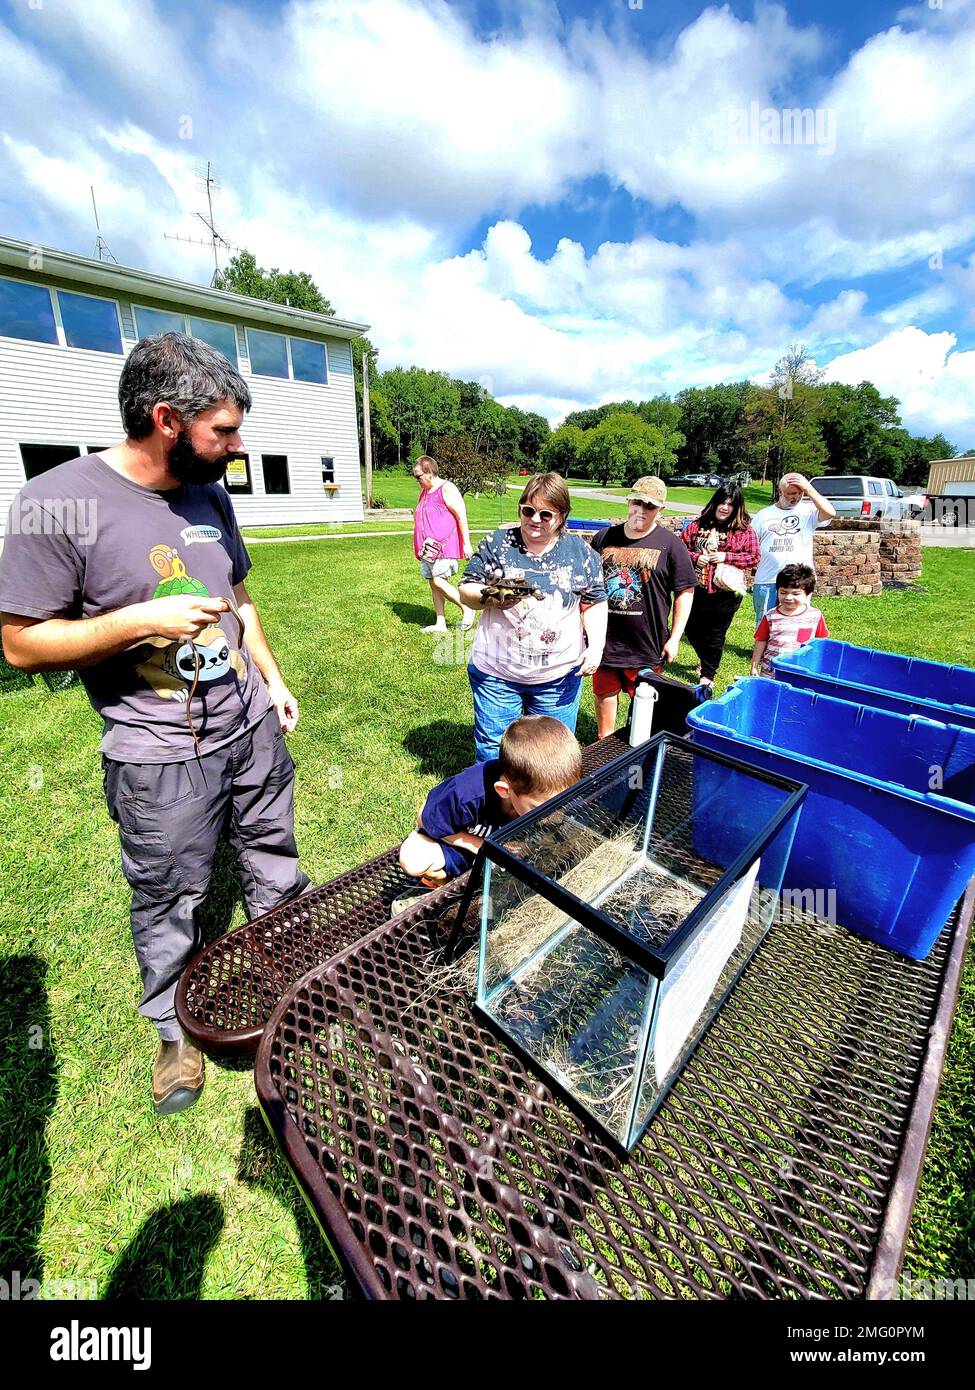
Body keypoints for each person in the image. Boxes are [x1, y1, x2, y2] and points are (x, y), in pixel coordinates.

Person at [0, 333, 310, 1117]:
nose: (238, 448)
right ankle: (173, 1029)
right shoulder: (54, 502)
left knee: (273, 854)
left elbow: (239, 597)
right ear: (166, 419)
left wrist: (271, 680)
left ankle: (292, 977)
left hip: (248, 725)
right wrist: (138, 620)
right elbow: (20, 644)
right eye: (224, 432)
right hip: (159, 751)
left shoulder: (208, 491)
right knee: (171, 890)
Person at [459, 472, 608, 763]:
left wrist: (596, 647)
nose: (535, 520)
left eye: (545, 514)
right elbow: (466, 590)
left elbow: (594, 601)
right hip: (497, 672)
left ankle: (547, 809)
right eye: (528, 511)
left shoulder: (580, 553)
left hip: (558, 674)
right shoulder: (498, 543)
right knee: (494, 749)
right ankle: (495, 805)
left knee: (553, 755)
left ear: (562, 516)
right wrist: (493, 596)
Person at [399, 715, 582, 886]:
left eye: (561, 803)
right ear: (504, 791)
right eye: (541, 808)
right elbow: (424, 817)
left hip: (507, 848)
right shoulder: (466, 794)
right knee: (413, 860)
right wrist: (482, 846)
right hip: (464, 847)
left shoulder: (539, 796)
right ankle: (449, 890)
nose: (554, 814)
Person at [590, 476, 697, 739]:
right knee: (604, 700)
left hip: (646, 642)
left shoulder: (671, 545)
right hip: (606, 641)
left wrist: (674, 638)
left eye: (649, 506)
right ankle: (604, 749)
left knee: (644, 709)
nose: (640, 510)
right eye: (637, 502)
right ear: (629, 501)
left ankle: (639, 752)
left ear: (661, 509)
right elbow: (587, 587)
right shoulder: (604, 538)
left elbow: (685, 591)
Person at [680, 485, 759, 693]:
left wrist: (726, 557)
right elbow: (680, 549)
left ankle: (708, 676)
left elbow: (754, 556)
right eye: (722, 502)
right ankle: (706, 659)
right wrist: (697, 557)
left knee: (716, 635)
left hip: (726, 592)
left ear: (737, 507)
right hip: (696, 587)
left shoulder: (744, 530)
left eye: (730, 504)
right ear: (715, 502)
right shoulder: (696, 526)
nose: (725, 507)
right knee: (690, 629)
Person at [751, 472, 836, 623]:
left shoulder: (808, 512)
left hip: (800, 580)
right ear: (780, 492)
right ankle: (763, 648)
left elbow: (830, 513)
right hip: (767, 579)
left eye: (799, 493)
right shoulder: (763, 515)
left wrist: (809, 488)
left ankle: (794, 647)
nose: (795, 497)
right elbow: (750, 544)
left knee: (797, 621)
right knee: (765, 621)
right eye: (790, 493)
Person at [412, 455, 475, 633]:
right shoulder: (424, 492)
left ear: (430, 472)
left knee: (438, 581)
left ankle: (467, 607)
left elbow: (461, 516)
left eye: (418, 476)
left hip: (444, 546)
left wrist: (466, 544)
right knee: (433, 584)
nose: (416, 480)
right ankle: (440, 623)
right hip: (429, 550)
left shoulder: (447, 489)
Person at [751, 562, 829, 677]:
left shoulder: (815, 616)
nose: (788, 597)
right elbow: (761, 640)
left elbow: (822, 643)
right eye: (783, 592)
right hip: (771, 672)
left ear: (809, 593)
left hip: (802, 671)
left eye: (796, 594)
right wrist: (754, 665)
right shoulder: (771, 615)